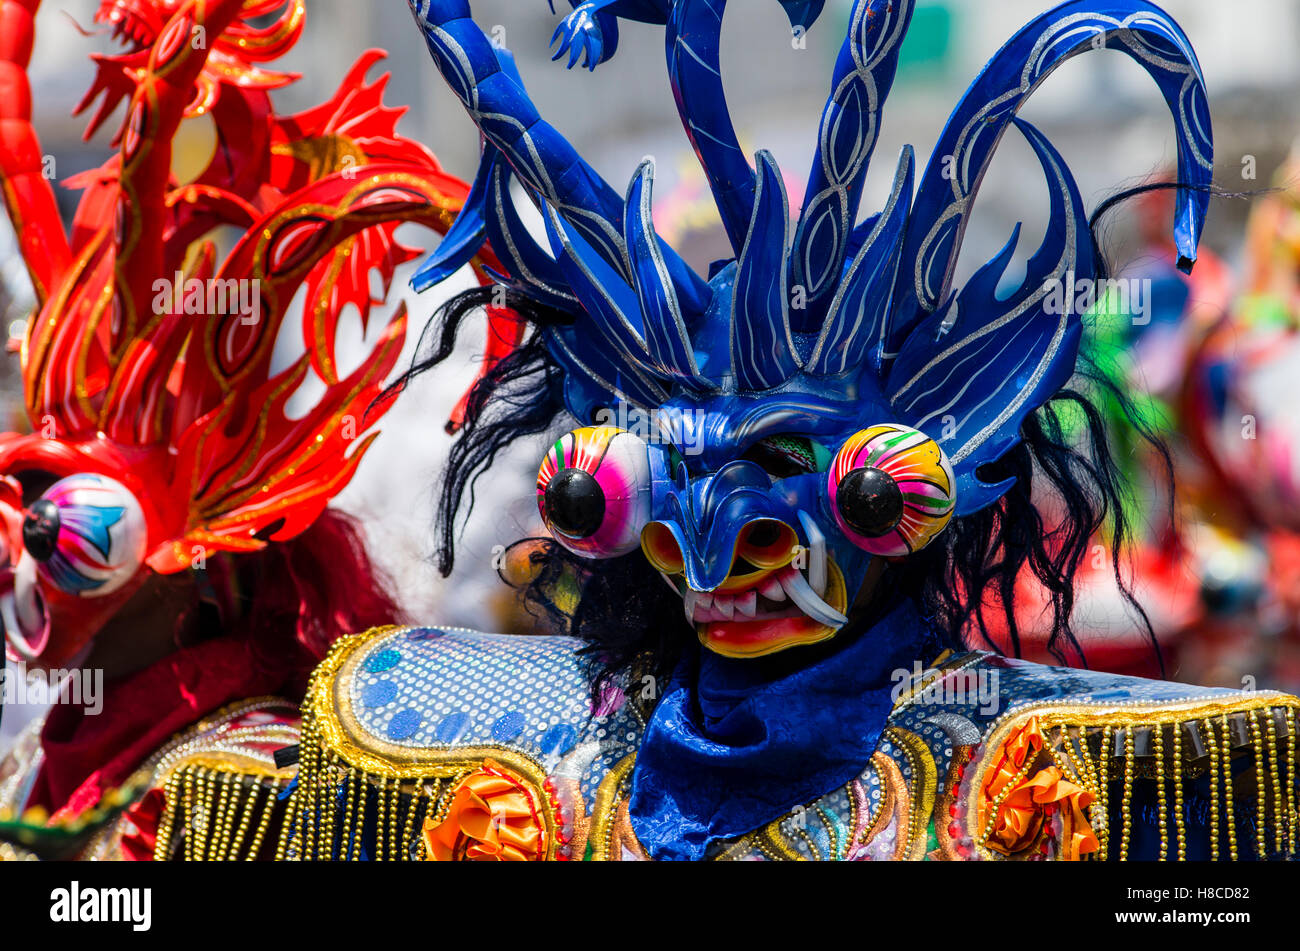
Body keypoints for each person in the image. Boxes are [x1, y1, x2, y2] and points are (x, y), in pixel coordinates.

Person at [285, 0, 1299, 861]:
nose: (715, 538)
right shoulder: (519, 753)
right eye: (668, 473)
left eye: (790, 466)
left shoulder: (1057, 772)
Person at [0, 0, 487, 860]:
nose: (20, 545)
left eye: (66, 522)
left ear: (198, 555)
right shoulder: (42, 761)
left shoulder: (253, 791)